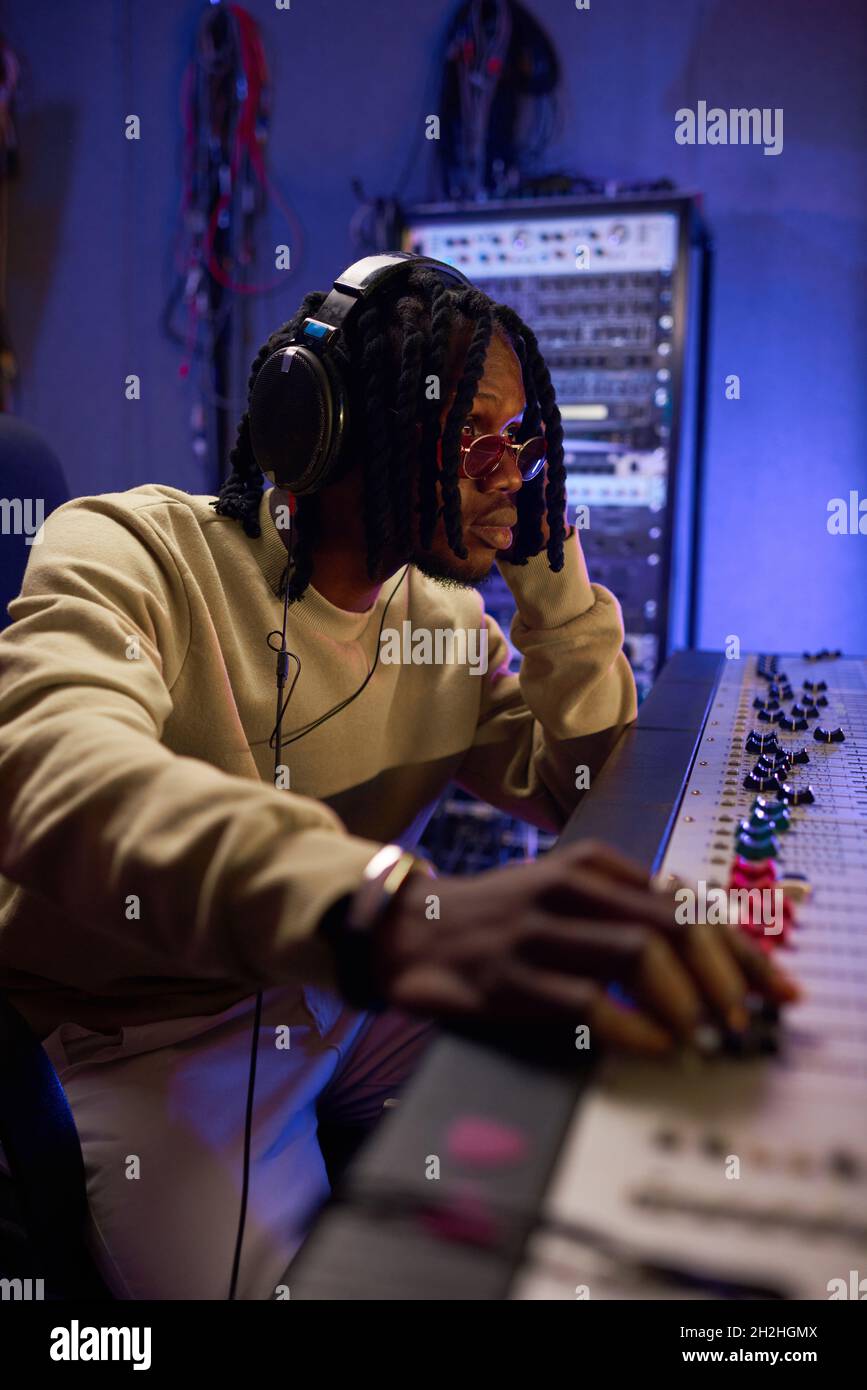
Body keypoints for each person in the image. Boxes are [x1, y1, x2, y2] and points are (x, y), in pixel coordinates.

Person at [0, 259, 798, 1298]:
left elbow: (584, 784)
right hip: (146, 1036)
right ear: (323, 426)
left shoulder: (443, 624)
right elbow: (54, 774)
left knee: (589, 1096)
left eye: (519, 443)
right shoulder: (128, 551)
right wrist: (390, 910)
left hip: (340, 996)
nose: (506, 471)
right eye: (474, 438)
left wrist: (552, 580)